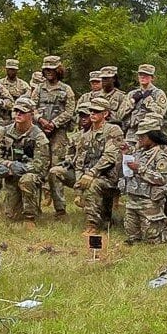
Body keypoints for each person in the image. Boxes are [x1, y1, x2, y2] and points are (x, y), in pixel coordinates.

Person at [67, 97, 123, 233]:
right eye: (91, 111)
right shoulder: (85, 136)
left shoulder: (113, 130)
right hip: (91, 175)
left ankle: (92, 225)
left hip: (110, 177)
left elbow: (109, 157)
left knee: (92, 185)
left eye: (96, 111)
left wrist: (91, 173)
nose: (92, 114)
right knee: (88, 184)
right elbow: (79, 162)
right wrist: (79, 186)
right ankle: (104, 219)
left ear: (105, 114)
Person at [0, 96, 50, 219]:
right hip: (10, 174)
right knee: (11, 216)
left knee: (26, 180)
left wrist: (23, 168)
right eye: (16, 111)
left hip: (31, 174)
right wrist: (8, 165)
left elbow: (41, 165)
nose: (18, 114)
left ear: (31, 115)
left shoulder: (38, 136)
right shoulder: (5, 132)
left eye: (22, 112)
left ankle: (30, 216)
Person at [32, 56, 77, 216]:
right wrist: (41, 120)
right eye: (46, 70)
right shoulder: (38, 89)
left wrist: (54, 123)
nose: (49, 72)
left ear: (58, 70)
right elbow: (32, 108)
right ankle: (34, 206)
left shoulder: (66, 90)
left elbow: (70, 111)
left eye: (52, 69)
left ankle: (60, 209)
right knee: (38, 166)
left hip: (59, 134)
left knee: (56, 168)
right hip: (40, 133)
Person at [120, 127, 167, 243]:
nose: (140, 139)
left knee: (152, 239)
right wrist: (125, 155)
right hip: (133, 200)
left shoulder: (161, 156)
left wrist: (140, 169)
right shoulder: (138, 153)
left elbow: (162, 179)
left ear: (152, 138)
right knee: (132, 236)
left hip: (149, 201)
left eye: (143, 136)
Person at [119, 63, 167, 142]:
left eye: (146, 75)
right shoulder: (132, 94)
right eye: (140, 74)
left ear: (152, 78)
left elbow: (161, 113)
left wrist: (148, 101)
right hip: (132, 134)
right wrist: (132, 101)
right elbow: (120, 114)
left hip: (150, 135)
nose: (142, 77)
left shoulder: (158, 93)